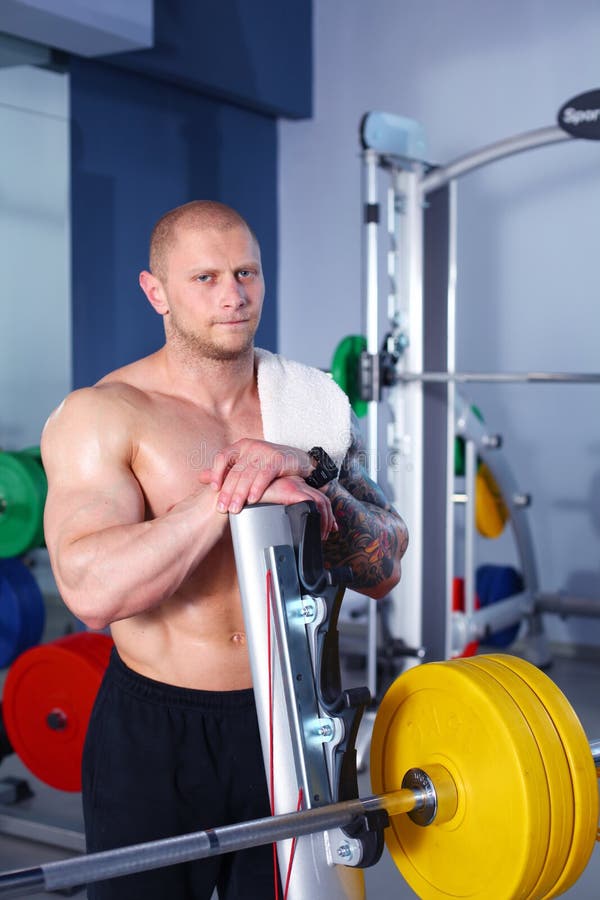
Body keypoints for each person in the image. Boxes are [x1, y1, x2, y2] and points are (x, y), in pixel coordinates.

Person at [41, 200, 408, 900]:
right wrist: (226, 494)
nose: (234, 296)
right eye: (204, 277)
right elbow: (90, 591)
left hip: (291, 718)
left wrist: (308, 467)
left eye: (246, 272)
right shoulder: (105, 413)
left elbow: (386, 568)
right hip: (155, 733)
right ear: (157, 293)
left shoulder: (310, 404)